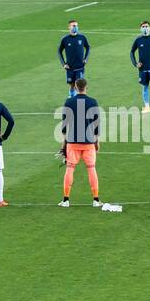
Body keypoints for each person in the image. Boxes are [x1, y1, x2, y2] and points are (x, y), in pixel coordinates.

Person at [59, 77, 102, 207]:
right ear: (86, 87)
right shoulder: (93, 102)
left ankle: (66, 200)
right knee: (91, 169)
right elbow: (96, 124)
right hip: (89, 142)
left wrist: (63, 143)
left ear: (76, 87)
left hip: (72, 141)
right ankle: (96, 200)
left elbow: (65, 124)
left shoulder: (69, 102)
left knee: (70, 169)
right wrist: (97, 141)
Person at [58, 20, 90, 99]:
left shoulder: (82, 37)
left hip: (80, 67)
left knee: (78, 84)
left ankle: (78, 99)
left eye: (76, 25)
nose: (75, 27)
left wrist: (86, 59)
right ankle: (71, 96)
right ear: (69, 27)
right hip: (70, 67)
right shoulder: (65, 39)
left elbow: (88, 47)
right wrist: (64, 64)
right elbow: (59, 51)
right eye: (73, 26)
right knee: (72, 84)